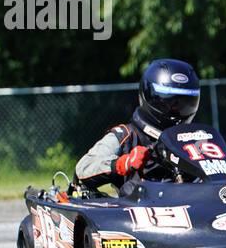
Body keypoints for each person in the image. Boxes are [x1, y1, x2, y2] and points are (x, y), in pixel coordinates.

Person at [74, 58, 201, 189]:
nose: (177, 110)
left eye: (184, 103)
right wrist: (123, 163)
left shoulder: (196, 138)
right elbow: (83, 168)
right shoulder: (126, 136)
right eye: (170, 102)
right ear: (150, 97)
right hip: (141, 205)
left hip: (193, 205)